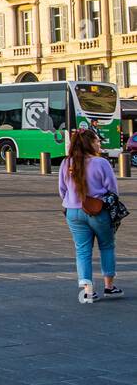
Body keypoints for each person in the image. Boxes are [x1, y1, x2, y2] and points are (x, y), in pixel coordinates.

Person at [59, 127, 123, 303]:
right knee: (107, 246)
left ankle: (87, 291)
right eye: (97, 140)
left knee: (82, 250)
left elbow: (62, 190)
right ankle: (109, 287)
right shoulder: (100, 163)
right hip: (97, 210)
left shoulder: (66, 163)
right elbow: (112, 190)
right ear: (90, 143)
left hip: (73, 211)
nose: (99, 143)